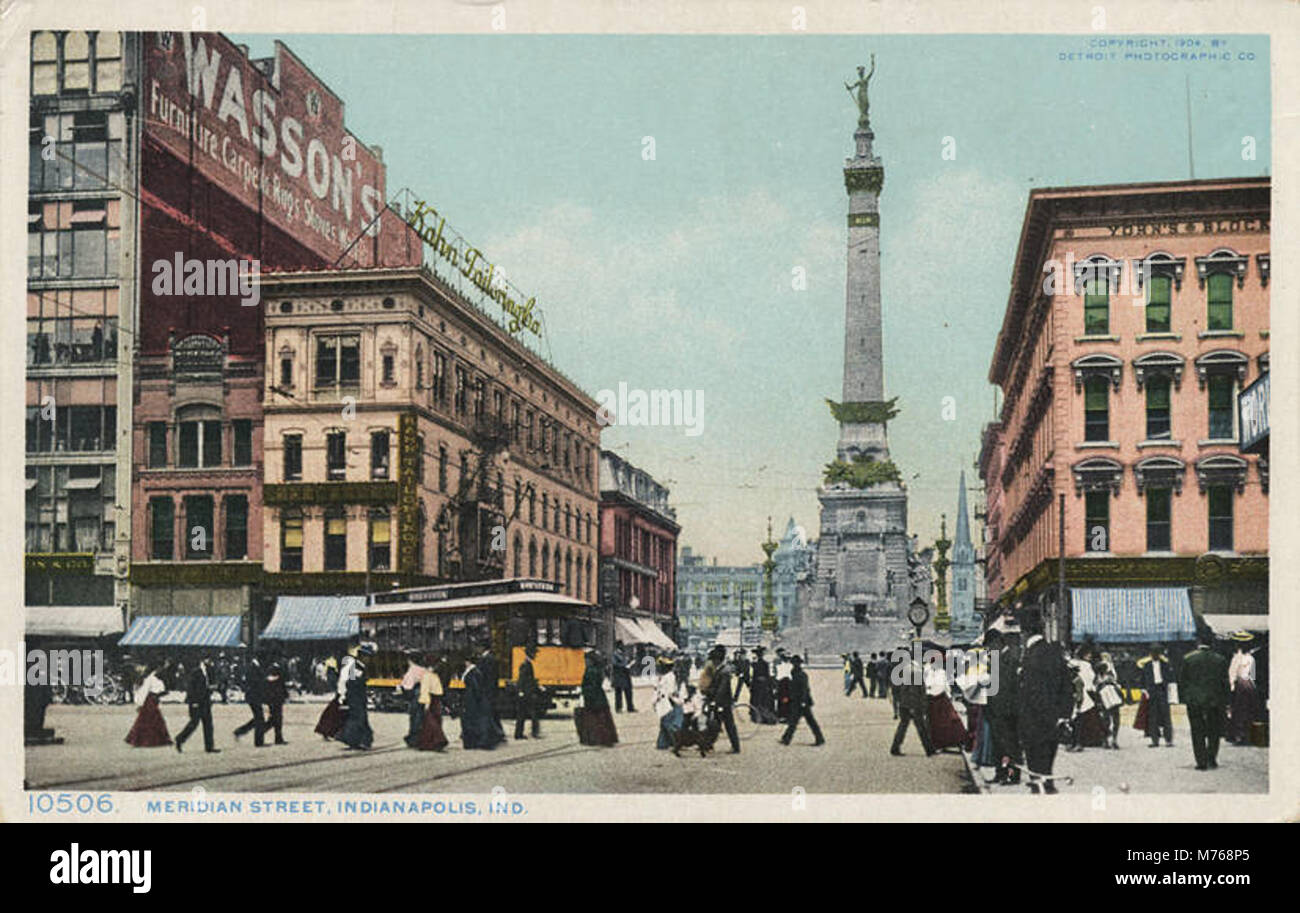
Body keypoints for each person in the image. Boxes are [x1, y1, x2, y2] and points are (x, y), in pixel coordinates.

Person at [1016, 619, 1074, 794]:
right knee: (1048, 752)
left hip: (1034, 715)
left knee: (1034, 753)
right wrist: (1063, 713)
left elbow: (1032, 691)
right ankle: (1046, 782)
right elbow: (1066, 685)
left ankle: (1039, 785)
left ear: (1024, 633)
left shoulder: (1031, 656)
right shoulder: (1054, 653)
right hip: (1054, 715)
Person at [1181, 634, 1230, 770]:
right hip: (1214, 700)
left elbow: (1183, 681)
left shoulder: (1188, 659)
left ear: (1198, 642)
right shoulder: (1220, 660)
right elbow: (1224, 682)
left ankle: (1201, 761)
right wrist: (1226, 701)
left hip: (1194, 700)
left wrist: (1185, 698)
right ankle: (1212, 758)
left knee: (1197, 730)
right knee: (1214, 729)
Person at [986, 631, 1022, 784]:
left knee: (1010, 745)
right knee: (998, 745)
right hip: (995, 710)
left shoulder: (1010, 659)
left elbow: (1009, 688)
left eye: (990, 645)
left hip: (1007, 712)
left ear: (997, 643)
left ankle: (1013, 775)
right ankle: (999, 773)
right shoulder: (996, 660)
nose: (989, 649)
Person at [890, 647, 934, 756]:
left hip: (905, 702)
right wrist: (915, 706)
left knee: (904, 724)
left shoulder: (906, 668)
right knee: (921, 726)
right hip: (913, 703)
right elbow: (914, 690)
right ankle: (929, 749)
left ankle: (895, 747)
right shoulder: (915, 670)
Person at [701, 644, 740, 754]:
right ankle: (709, 744)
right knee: (716, 724)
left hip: (723, 703)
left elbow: (722, 689)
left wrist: (714, 701)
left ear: (717, 660)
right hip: (722, 702)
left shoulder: (724, 671)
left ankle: (735, 747)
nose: (712, 662)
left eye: (713, 660)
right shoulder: (722, 670)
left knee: (726, 725)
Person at [461, 653, 504, 750]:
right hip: (471, 699)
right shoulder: (473, 671)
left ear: (468, 662)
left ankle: (474, 742)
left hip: (472, 700)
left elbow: (476, 687)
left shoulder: (474, 672)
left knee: (472, 721)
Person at [926, 651, 967, 752]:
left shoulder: (939, 672)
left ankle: (948, 742)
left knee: (945, 721)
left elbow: (943, 687)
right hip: (936, 699)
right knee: (937, 722)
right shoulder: (931, 672)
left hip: (940, 699)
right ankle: (939, 743)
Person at [175, 658, 219, 753]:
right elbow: (191, 688)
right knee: (194, 723)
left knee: (208, 724)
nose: (211, 663)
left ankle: (209, 746)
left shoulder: (207, 671)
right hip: (197, 702)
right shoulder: (196, 672)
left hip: (205, 702)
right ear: (204, 660)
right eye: (209, 660)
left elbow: (203, 686)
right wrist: (193, 702)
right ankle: (180, 739)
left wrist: (210, 689)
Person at [779, 654, 824, 746]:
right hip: (798, 701)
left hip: (802, 702)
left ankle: (786, 739)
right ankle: (786, 738)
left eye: (796, 663)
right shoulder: (795, 673)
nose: (795, 664)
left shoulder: (801, 675)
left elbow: (804, 689)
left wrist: (803, 701)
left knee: (803, 721)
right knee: (796, 721)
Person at [577, 650, 619, 746]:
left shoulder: (590, 670)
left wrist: (584, 690)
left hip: (592, 697)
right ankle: (606, 739)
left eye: (586, 660)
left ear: (591, 661)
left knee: (594, 719)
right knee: (602, 719)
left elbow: (591, 685)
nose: (585, 662)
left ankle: (596, 739)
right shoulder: (597, 669)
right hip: (599, 697)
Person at [337, 644, 374, 750]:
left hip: (358, 696)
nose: (368, 659)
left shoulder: (360, 666)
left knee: (360, 719)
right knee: (359, 719)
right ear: (362, 656)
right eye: (367, 657)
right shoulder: (356, 667)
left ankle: (358, 740)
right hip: (355, 697)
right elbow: (352, 682)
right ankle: (358, 740)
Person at [1139, 643, 1176, 747]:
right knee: (1153, 717)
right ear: (1150, 654)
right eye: (1153, 653)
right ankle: (1155, 740)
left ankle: (1168, 740)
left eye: (1157, 653)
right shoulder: (1146, 666)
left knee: (1166, 716)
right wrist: (1144, 692)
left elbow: (1171, 679)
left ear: (1159, 654)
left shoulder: (1166, 665)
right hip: (1152, 691)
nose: (1155, 655)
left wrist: (1171, 693)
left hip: (1162, 690)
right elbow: (1142, 680)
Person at [125, 664, 171, 747]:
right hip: (149, 701)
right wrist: (140, 704)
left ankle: (158, 740)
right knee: (149, 721)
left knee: (154, 720)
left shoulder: (157, 679)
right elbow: (144, 692)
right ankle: (145, 741)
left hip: (154, 700)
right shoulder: (150, 679)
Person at [1227, 635, 1259, 745]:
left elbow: (1232, 673)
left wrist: (1231, 687)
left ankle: (1238, 735)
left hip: (1239, 685)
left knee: (1238, 711)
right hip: (1249, 684)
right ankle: (1246, 735)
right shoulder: (1251, 658)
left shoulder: (1236, 658)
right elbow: (1253, 675)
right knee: (1248, 710)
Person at [414, 653, 449, 752]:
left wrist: (425, 703)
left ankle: (436, 740)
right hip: (436, 700)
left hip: (430, 700)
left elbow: (425, 690)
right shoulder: (435, 675)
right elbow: (439, 690)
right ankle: (433, 742)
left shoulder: (426, 676)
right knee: (437, 720)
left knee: (429, 722)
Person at [654, 656, 688, 750]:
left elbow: (668, 691)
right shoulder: (667, 677)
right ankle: (669, 742)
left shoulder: (667, 677)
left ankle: (666, 743)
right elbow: (667, 690)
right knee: (668, 723)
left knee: (667, 723)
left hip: (667, 702)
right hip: (667, 702)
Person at [233, 656, 267, 746]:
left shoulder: (256, 667)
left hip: (255, 696)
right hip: (253, 696)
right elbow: (251, 682)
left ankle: (240, 731)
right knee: (260, 718)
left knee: (258, 718)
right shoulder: (251, 668)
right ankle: (258, 742)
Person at [1094, 652, 1124, 750]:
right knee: (1114, 719)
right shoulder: (1110, 677)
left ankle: (1106, 740)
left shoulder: (1098, 679)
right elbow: (1117, 687)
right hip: (1112, 698)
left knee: (1106, 720)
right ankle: (1113, 740)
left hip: (1105, 699)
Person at [514, 645, 542, 740]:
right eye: (534, 653)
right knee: (530, 714)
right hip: (526, 694)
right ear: (530, 654)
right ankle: (531, 733)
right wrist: (521, 691)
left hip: (527, 693)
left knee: (524, 714)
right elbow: (522, 679)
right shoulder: (526, 665)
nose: (535, 655)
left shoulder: (527, 664)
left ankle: (520, 733)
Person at [400, 651, 427, 748]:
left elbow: (408, 685)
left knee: (414, 717)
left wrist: (404, 693)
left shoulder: (412, 670)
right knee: (420, 716)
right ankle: (420, 738)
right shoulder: (423, 669)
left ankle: (414, 739)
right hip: (422, 693)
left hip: (415, 694)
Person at [748, 646, 776, 724]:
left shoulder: (763, 664)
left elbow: (767, 675)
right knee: (759, 701)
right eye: (758, 654)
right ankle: (758, 717)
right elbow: (753, 675)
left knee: (762, 701)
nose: (759, 655)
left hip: (761, 685)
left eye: (760, 654)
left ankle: (762, 717)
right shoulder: (755, 664)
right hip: (758, 685)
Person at [611, 641, 636, 713]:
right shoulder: (615, 654)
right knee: (618, 693)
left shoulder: (624, 654)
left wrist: (630, 663)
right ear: (618, 646)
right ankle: (618, 708)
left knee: (628, 692)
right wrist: (625, 665)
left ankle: (630, 707)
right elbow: (615, 664)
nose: (623, 647)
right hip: (618, 676)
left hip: (625, 675)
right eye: (621, 645)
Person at [774, 648, 794, 724]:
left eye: (788, 659)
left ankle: (787, 716)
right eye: (786, 658)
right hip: (783, 684)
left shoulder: (790, 666)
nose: (787, 660)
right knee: (783, 700)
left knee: (787, 700)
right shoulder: (780, 666)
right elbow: (778, 676)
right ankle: (782, 716)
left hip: (787, 684)